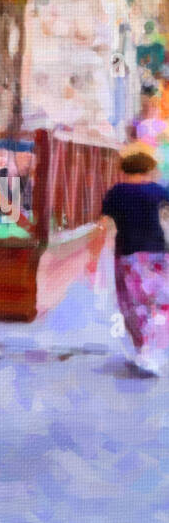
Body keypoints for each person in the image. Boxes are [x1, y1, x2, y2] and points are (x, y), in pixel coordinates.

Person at [101, 142, 169, 376]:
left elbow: (105, 225)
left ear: (124, 168)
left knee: (132, 303)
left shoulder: (116, 192)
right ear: (149, 169)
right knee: (159, 301)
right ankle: (152, 348)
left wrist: (94, 257)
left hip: (128, 255)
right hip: (158, 252)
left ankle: (143, 349)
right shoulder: (159, 191)